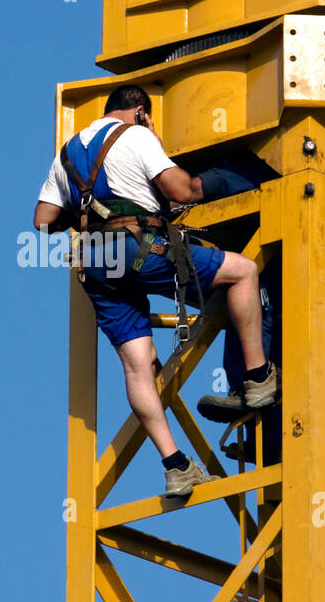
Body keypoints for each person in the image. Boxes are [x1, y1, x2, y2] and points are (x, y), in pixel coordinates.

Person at [33, 83, 280, 497]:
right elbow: (184, 191)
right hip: (137, 249)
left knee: (138, 363)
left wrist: (88, 213)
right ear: (142, 112)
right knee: (242, 271)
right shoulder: (138, 135)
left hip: (94, 263)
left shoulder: (67, 153)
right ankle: (258, 377)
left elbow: (42, 221)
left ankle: (176, 466)